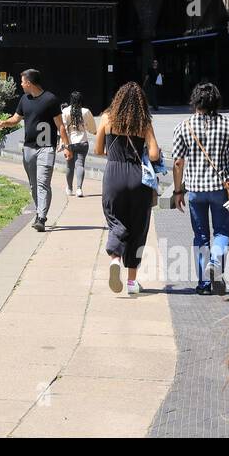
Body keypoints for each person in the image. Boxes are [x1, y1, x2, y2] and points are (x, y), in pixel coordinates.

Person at [171, 81, 229, 296]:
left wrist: (178, 191)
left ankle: (204, 284)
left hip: (195, 190)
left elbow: (178, 162)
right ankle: (217, 263)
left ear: (194, 101)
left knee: (200, 236)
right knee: (222, 231)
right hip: (221, 190)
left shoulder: (184, 126)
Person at [93, 82, 161, 296]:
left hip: (113, 174)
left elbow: (98, 150)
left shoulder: (107, 118)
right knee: (138, 227)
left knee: (115, 219)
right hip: (137, 177)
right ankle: (132, 282)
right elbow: (154, 154)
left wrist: (114, 156)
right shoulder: (144, 123)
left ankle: (115, 259)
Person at [0, 69, 70, 231]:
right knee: (33, 185)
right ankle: (39, 212)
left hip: (46, 149)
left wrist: (66, 145)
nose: (20, 84)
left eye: (22, 81)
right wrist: (4, 123)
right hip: (28, 148)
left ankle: (41, 218)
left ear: (29, 83)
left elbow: (60, 125)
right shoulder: (24, 99)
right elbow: (16, 119)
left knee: (43, 183)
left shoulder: (50, 99)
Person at [62, 91, 95, 198]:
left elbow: (62, 129)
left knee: (69, 166)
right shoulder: (86, 111)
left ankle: (69, 188)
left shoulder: (65, 111)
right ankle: (79, 189)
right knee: (80, 165)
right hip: (82, 142)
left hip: (70, 143)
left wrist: (62, 143)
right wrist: (93, 132)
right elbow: (92, 128)